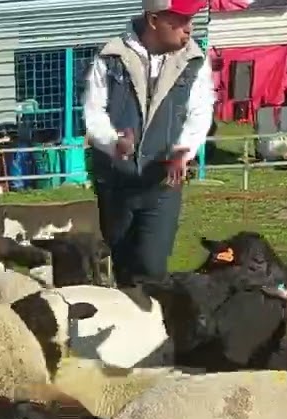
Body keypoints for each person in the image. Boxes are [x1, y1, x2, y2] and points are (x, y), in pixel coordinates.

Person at [82, 0, 215, 287]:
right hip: (116, 183)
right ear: (154, 20)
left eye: (191, 20)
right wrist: (113, 141)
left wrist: (184, 150)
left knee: (152, 268)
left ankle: (153, 320)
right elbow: (94, 111)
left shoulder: (195, 61)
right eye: (180, 21)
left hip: (162, 181)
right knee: (122, 266)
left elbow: (200, 112)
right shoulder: (110, 57)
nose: (189, 30)